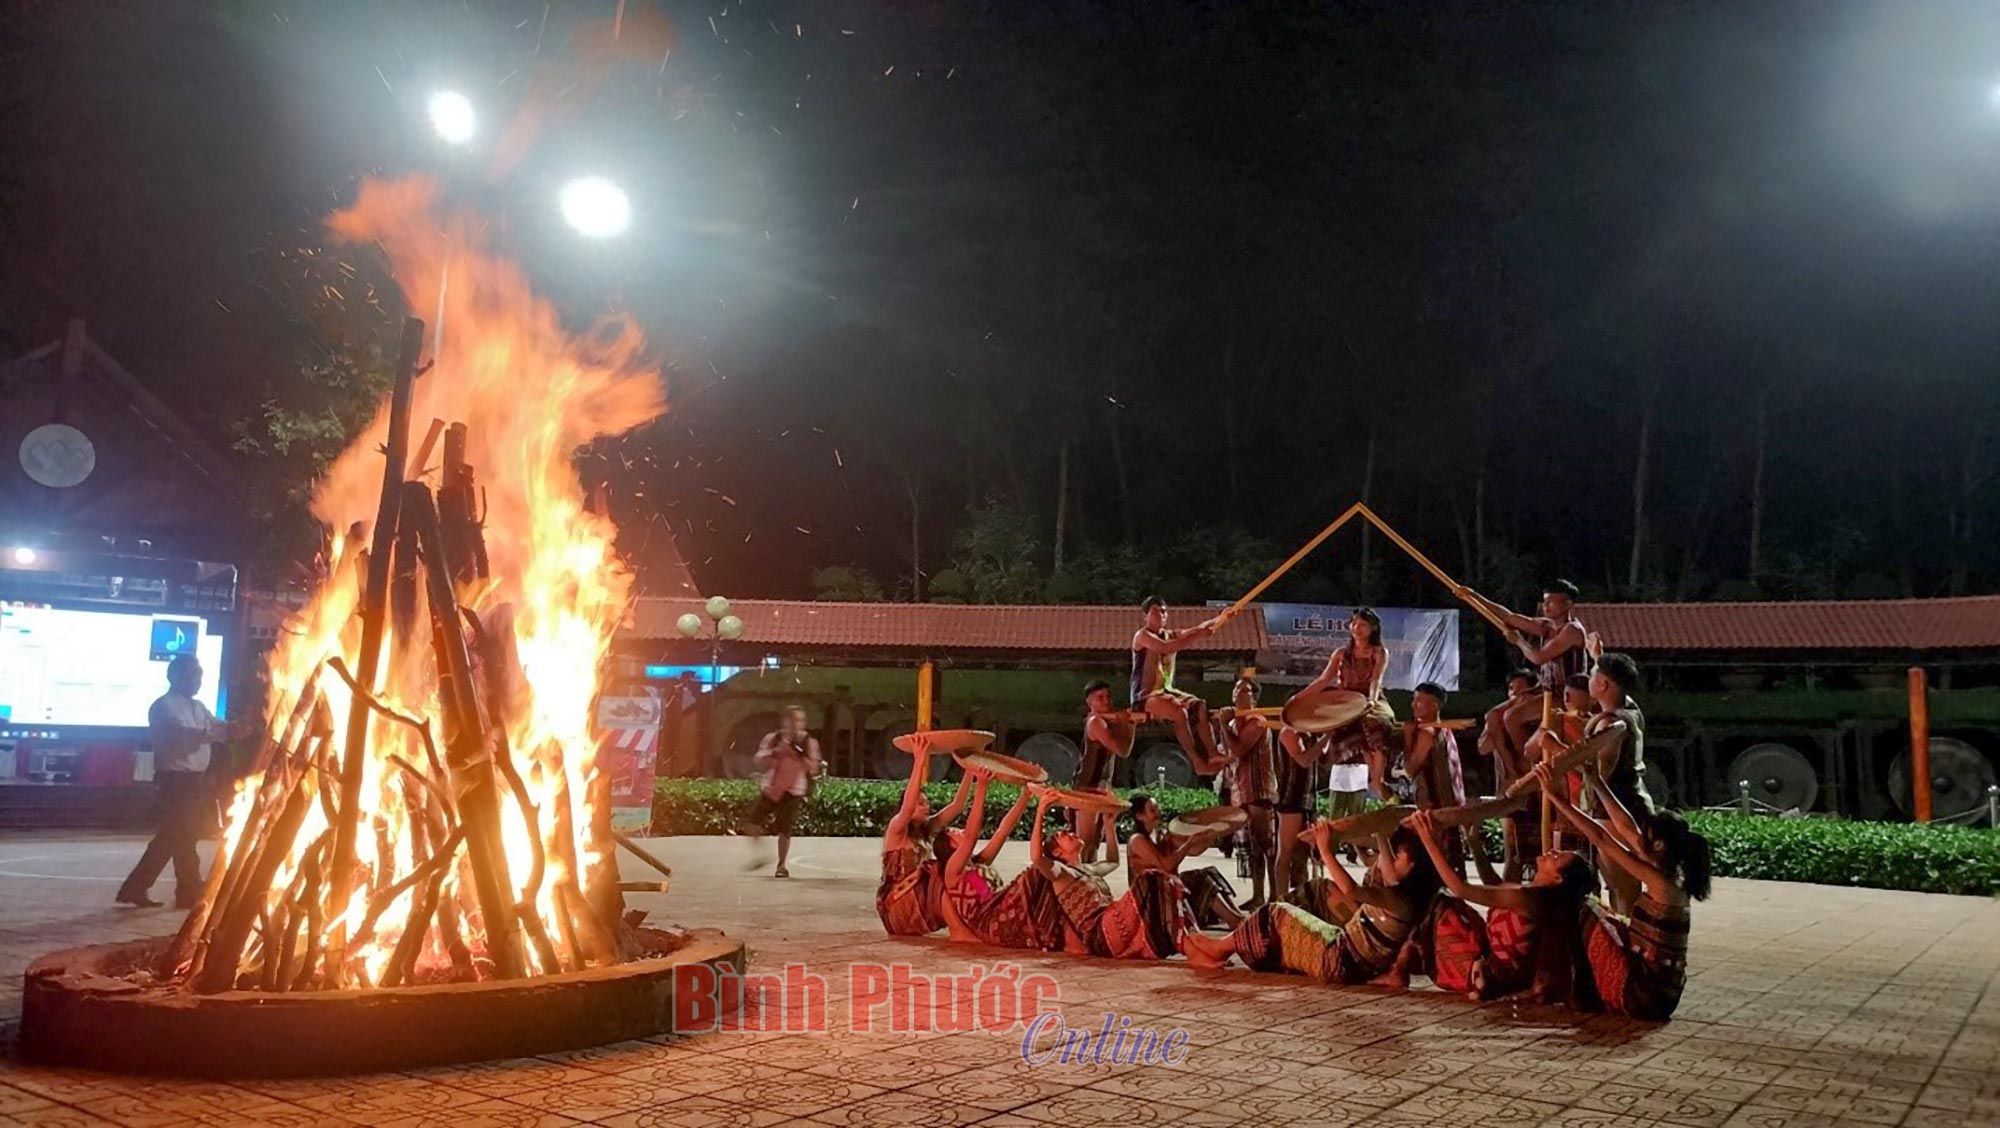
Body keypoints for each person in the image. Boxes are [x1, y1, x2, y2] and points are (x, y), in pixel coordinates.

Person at [1536, 760, 1710, 1021]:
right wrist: (1597, 781)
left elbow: (1602, 839)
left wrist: (1558, 800)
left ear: (1659, 846)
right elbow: (1625, 826)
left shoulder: (1662, 884)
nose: (1638, 839)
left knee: (1580, 906)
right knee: (1605, 915)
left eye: (1645, 837)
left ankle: (1578, 991)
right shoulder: (1666, 871)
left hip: (1645, 996)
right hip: (1655, 994)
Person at [1180, 821, 1442, 986]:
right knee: (1286, 922)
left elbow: (1350, 890)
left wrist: (1325, 850)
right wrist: (1380, 832)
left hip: (1337, 959)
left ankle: (1218, 949)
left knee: (1274, 914)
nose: (1388, 861)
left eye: (1397, 858)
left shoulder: (1399, 900)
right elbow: (1387, 869)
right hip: (1348, 958)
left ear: (1413, 867)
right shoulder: (1412, 897)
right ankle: (1220, 948)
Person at [1397, 809, 1596, 1003]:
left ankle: (1397, 968)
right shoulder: (1530, 895)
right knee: (1442, 906)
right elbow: (1492, 884)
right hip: (1488, 957)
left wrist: (1427, 838)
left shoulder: (1530, 900)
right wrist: (1473, 842)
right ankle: (1400, 964)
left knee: (1434, 906)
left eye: (1557, 857)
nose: (1552, 851)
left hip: (1490, 975)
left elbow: (1460, 889)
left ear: (1557, 878)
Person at [118, 655, 225, 909]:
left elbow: (216, 726)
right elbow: (183, 736)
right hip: (175, 781)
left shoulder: (199, 707)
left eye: (199, 676)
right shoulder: (163, 707)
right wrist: (218, 732)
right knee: (182, 836)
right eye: (191, 676)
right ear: (174, 677)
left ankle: (139, 888)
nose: (196, 681)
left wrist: (234, 728)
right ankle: (188, 890)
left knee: (175, 836)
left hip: (195, 780)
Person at [1461, 580, 1589, 762]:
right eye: (1544, 601)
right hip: (1544, 690)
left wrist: (1519, 641)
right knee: (1493, 716)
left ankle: (1526, 762)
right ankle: (1511, 766)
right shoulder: (1546, 626)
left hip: (1564, 694)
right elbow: (1509, 617)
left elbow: (1538, 657)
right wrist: (1474, 597)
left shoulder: (1572, 631)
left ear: (1568, 604)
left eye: (1551, 602)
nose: (1546, 606)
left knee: (1511, 717)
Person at [941, 768, 1063, 949]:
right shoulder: (953, 870)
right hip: (991, 923)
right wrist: (981, 786)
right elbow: (972, 835)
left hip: (1000, 911)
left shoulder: (978, 863)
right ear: (950, 846)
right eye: (955, 833)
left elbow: (1003, 830)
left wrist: (1025, 796)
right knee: (1037, 871)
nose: (961, 831)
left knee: (1050, 873)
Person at [1291, 608, 1399, 799]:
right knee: (1342, 728)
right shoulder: (1341, 654)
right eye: (1354, 623)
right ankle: (1364, 780)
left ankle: (1378, 780)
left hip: (1371, 698)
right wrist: (1298, 697)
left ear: (1373, 628)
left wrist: (1372, 701)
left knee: (1378, 722)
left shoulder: (1379, 652)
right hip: (1346, 700)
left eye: (1363, 624)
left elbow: (1376, 680)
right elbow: (1323, 680)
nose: (1357, 628)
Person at [878, 737, 976, 935]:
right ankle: (960, 933)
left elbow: (957, 806)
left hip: (916, 902)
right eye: (920, 803)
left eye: (927, 802)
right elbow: (907, 807)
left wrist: (970, 769)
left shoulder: (927, 829)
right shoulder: (897, 830)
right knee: (943, 870)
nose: (926, 806)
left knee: (968, 871)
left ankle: (986, 903)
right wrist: (919, 761)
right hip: (896, 908)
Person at [1130, 597, 1230, 773]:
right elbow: (1166, 647)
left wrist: (1223, 617)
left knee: (1199, 706)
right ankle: (1197, 762)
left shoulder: (1170, 634)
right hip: (1146, 694)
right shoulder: (1142, 635)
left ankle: (1213, 753)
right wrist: (1199, 634)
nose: (1160, 615)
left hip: (1167, 691)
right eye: (1155, 611)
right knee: (1179, 712)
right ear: (1145, 616)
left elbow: (1199, 628)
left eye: (1163, 611)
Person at [1127, 793, 1243, 929]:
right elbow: (1167, 866)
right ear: (1140, 816)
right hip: (1151, 900)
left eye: (1157, 808)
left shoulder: (1160, 835)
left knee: (1209, 872)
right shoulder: (1137, 840)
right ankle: (1234, 920)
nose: (1158, 813)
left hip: (1169, 891)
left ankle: (1236, 915)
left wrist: (1212, 834)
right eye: (1152, 810)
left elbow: (1194, 851)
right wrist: (1188, 843)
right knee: (1197, 878)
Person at [1212, 677, 1278, 906]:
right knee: (1252, 848)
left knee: (1266, 845)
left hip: (1259, 790)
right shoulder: (1233, 723)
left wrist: (1223, 725)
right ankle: (1258, 895)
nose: (1237, 693)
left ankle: (1275, 894)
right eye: (1236, 689)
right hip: (1240, 791)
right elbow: (1227, 752)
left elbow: (1238, 749)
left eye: (1244, 690)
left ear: (1254, 698)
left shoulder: (1257, 721)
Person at [741, 706, 822, 878]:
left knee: (785, 830)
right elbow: (758, 760)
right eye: (793, 720)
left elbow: (814, 769)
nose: (796, 724)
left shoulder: (808, 742)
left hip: (793, 790)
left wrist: (799, 756)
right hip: (772, 788)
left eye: (800, 720)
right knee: (751, 824)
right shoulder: (773, 738)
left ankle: (782, 865)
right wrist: (775, 753)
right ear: (785, 721)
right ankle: (763, 853)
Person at [1403, 682, 1468, 876]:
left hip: (1434, 809)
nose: (1414, 705)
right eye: (1414, 700)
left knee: (1432, 866)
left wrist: (1408, 738)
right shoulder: (1446, 730)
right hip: (1451, 807)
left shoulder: (1427, 733)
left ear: (1435, 705)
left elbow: (1411, 769)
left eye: (1419, 701)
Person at [1076, 680, 1142, 865]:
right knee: (1085, 843)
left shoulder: (1103, 720)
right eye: (1100, 698)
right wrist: (1129, 725)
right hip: (1088, 789)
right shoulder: (1096, 722)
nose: (1106, 701)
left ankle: (1091, 878)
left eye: (1108, 697)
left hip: (1100, 788)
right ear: (1089, 702)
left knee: (1094, 843)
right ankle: (1081, 878)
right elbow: (1123, 750)